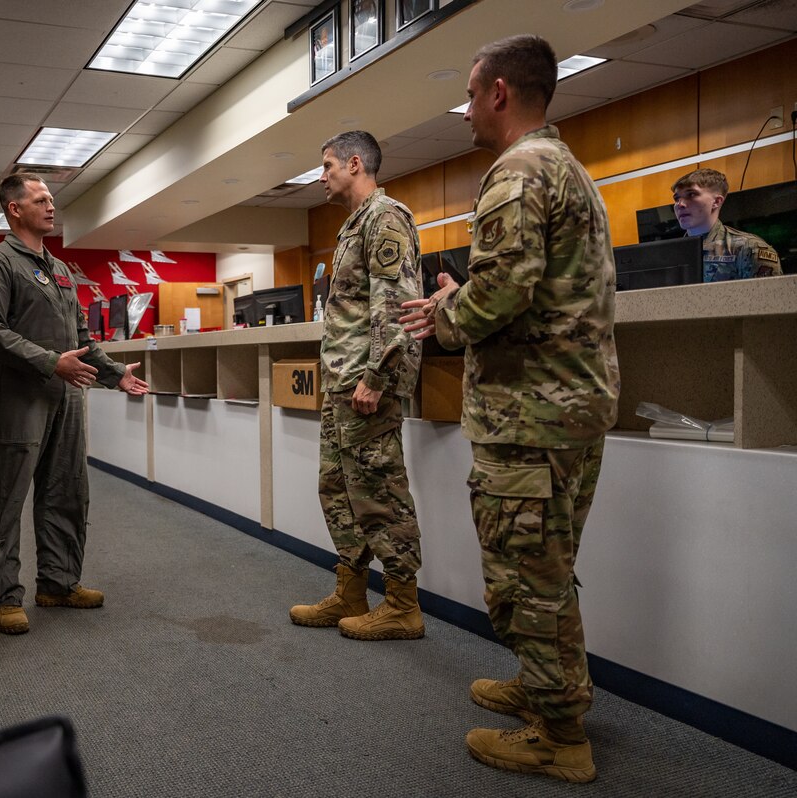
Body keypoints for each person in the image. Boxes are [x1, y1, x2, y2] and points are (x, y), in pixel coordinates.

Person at [400, 35, 619, 782]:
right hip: (569, 410)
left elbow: (502, 290)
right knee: (547, 566)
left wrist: (447, 314)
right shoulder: (568, 168)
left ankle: (561, 737)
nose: (464, 110)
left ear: (499, 92)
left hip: (531, 416)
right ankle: (548, 688)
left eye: (469, 94)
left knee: (524, 578)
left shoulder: (517, 172)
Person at [0, 173, 149, 635]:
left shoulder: (61, 270)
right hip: (19, 396)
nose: (52, 206)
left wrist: (115, 374)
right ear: (15, 209)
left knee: (66, 492)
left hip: (67, 396)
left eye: (51, 199)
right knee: (7, 499)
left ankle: (59, 582)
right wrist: (52, 363)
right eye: (41, 199)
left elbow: (82, 340)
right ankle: (5, 597)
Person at [289, 131, 425, 641]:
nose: (322, 176)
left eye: (327, 165)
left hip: (367, 383)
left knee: (380, 493)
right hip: (341, 382)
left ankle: (402, 605)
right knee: (339, 489)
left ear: (353, 163)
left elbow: (396, 305)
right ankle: (350, 591)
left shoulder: (386, 218)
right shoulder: (351, 227)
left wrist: (377, 376)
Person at [671, 168, 782, 282]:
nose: (680, 204)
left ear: (717, 201)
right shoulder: (671, 254)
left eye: (691, 194)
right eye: (676, 198)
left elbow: (770, 298)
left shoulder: (748, 248)